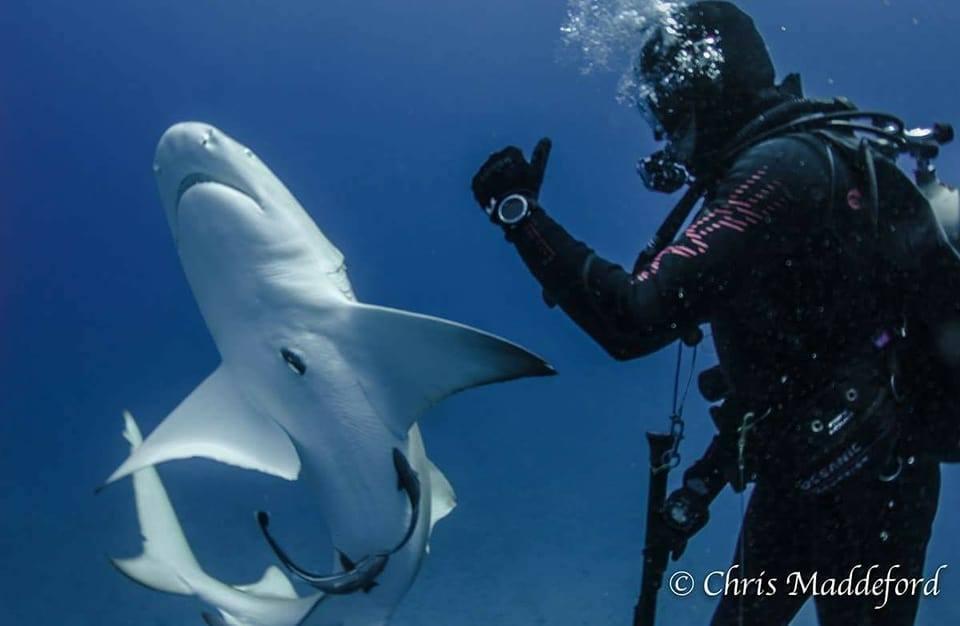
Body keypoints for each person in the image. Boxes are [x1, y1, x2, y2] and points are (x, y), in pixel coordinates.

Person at [470, 2, 947, 625]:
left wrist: (520, 216)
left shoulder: (779, 171)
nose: (668, 139)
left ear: (708, 95)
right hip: (809, 471)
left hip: (870, 488)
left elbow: (633, 320)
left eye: (669, 115)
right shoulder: (796, 166)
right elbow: (796, 367)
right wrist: (703, 483)